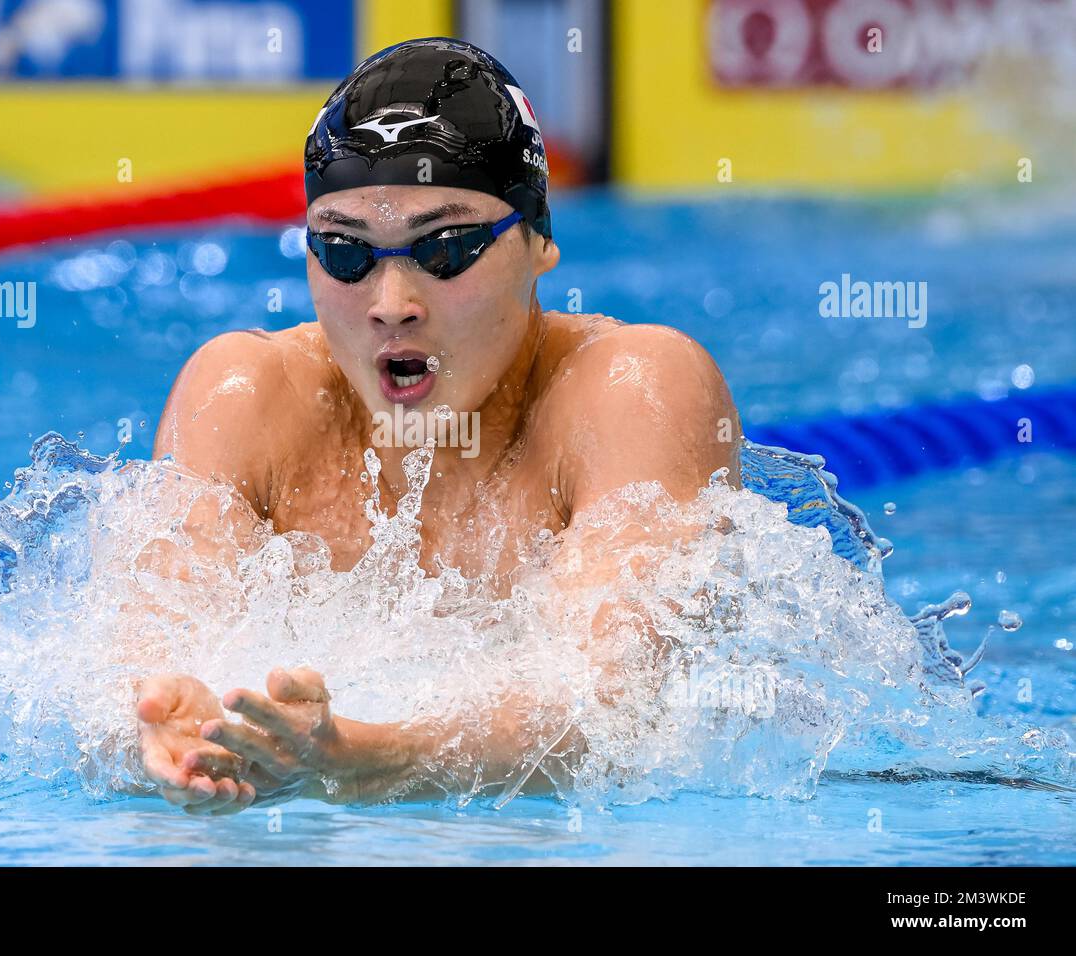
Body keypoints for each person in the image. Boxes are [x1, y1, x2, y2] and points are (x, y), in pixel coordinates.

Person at [135, 37, 741, 814]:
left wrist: (384, 759)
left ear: (539, 242)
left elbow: (617, 707)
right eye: (347, 252)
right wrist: (163, 733)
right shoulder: (244, 397)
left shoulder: (632, 388)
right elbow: (136, 651)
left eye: (446, 248)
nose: (391, 301)